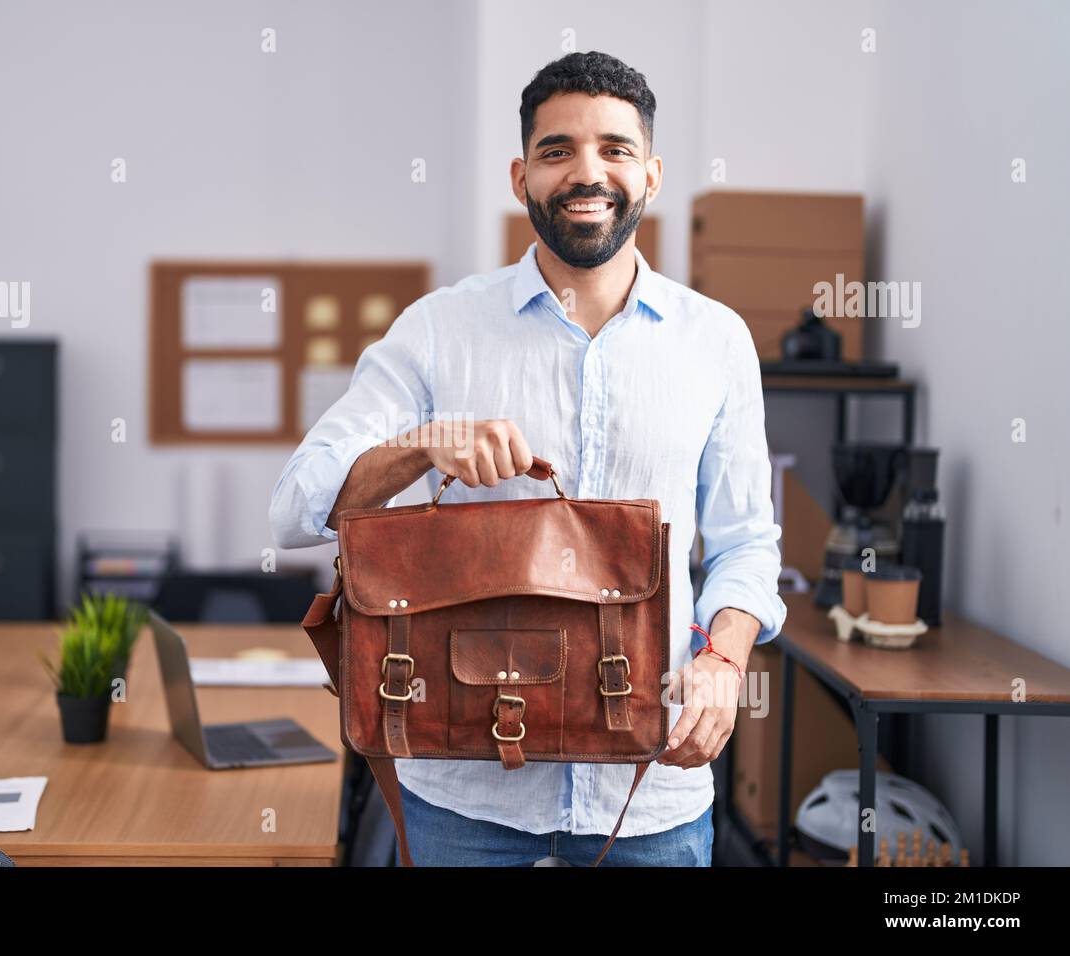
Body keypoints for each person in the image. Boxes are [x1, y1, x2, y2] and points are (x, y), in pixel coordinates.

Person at [269, 50, 786, 866]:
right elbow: (295, 507)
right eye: (557, 151)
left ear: (651, 175)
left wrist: (724, 658)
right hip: (464, 794)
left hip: (650, 794)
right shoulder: (439, 330)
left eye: (614, 149)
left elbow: (746, 543)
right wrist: (419, 445)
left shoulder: (716, 341)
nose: (588, 173)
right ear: (521, 178)